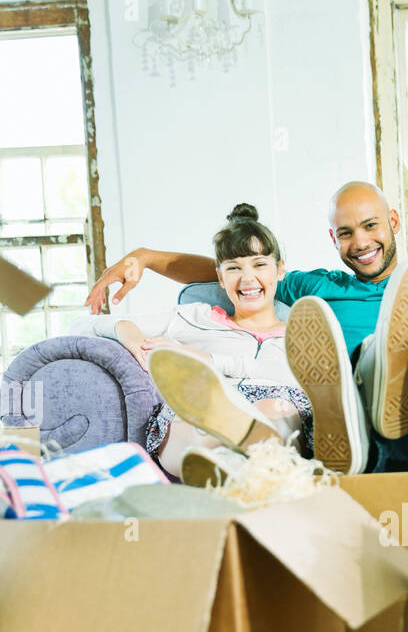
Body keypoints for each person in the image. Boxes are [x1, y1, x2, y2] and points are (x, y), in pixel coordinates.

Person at [85, 182, 408, 473]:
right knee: (361, 399)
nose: (361, 241)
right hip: (350, 388)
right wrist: (147, 257)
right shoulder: (314, 287)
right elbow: (242, 266)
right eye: (346, 233)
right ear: (333, 237)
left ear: (393, 221)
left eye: (370, 226)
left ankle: (382, 394)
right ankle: (367, 378)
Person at [77, 204, 313, 478]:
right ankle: (220, 463)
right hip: (198, 415)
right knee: (196, 420)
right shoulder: (193, 317)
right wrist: (128, 332)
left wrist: (209, 360)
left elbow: (301, 378)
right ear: (220, 278)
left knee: (274, 408)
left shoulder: (303, 333)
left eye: (259, 265)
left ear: (280, 270)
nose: (248, 278)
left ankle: (235, 464)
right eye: (233, 268)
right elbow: (82, 326)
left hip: (272, 415)